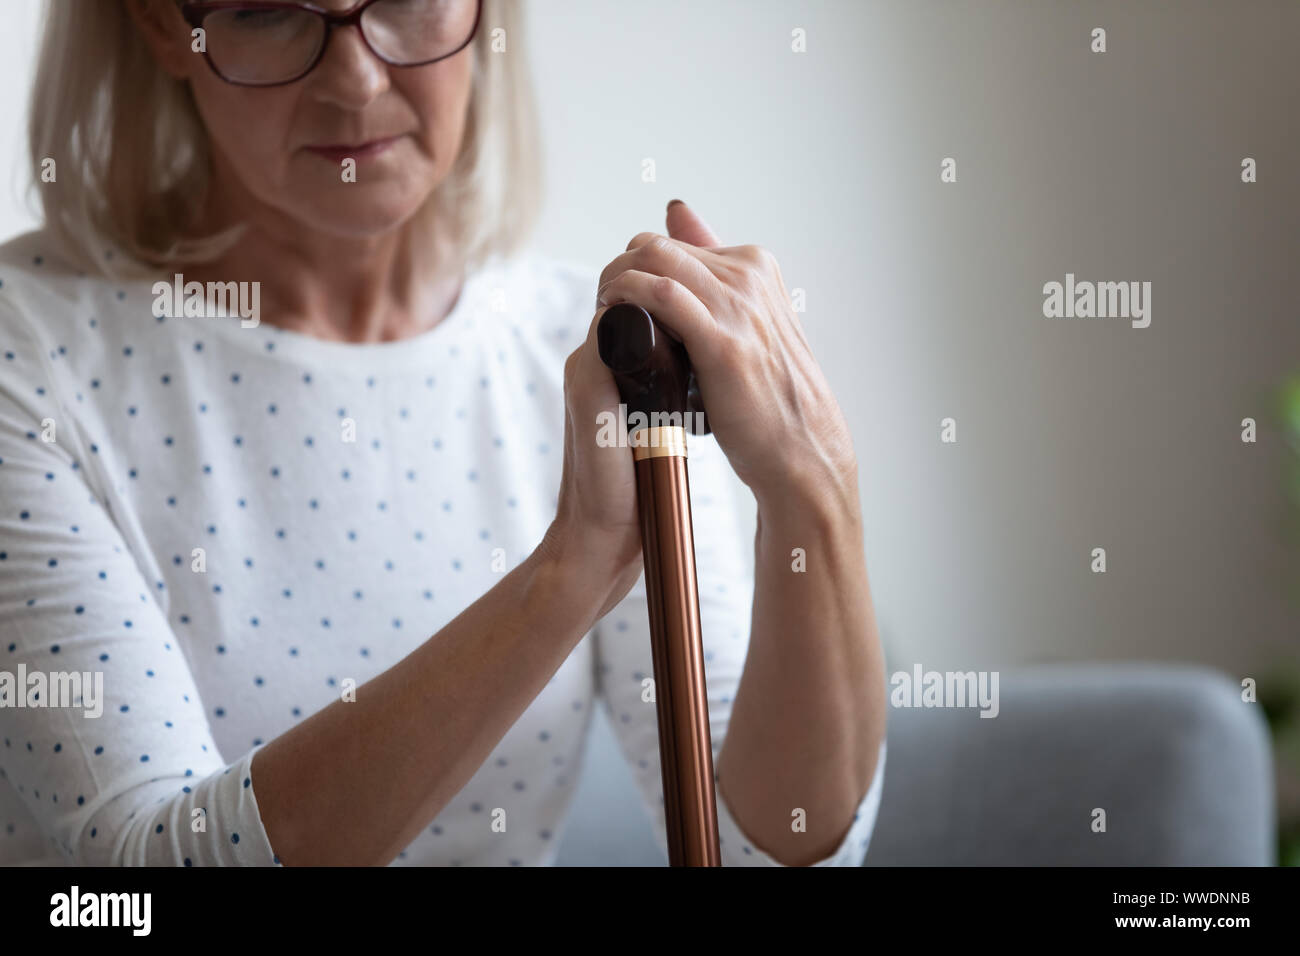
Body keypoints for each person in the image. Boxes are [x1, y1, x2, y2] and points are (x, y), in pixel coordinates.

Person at [0, 0, 886, 867]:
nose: (354, 79)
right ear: (162, 24)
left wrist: (813, 487)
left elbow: (760, 849)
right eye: (271, 13)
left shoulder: (580, 353)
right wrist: (567, 575)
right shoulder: (30, 350)